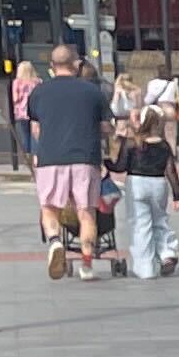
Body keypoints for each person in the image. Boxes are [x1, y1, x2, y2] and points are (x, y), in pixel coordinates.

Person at [22, 40, 112, 278]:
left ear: (52, 65)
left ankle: (54, 241)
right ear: (77, 64)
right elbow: (105, 127)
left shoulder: (39, 92)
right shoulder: (93, 92)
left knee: (49, 208)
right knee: (86, 212)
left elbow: (36, 130)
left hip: (50, 158)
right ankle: (87, 264)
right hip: (85, 158)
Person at [109, 62, 179, 278]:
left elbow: (121, 166)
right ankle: (168, 253)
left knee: (140, 224)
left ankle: (145, 268)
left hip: (137, 183)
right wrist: (178, 195)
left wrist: (107, 164)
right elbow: (171, 169)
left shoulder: (133, 143)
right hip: (159, 183)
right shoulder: (163, 144)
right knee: (160, 219)